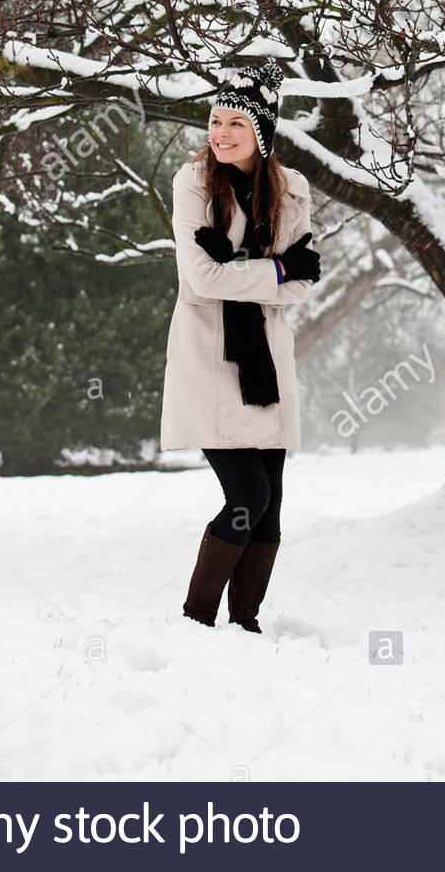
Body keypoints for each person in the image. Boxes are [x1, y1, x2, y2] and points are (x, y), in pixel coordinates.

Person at [159, 57, 321, 633]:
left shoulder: (292, 188)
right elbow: (202, 279)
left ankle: (245, 622)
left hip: (266, 367)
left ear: (262, 129)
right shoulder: (194, 182)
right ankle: (197, 620)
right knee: (246, 495)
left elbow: (304, 283)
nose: (220, 133)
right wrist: (273, 273)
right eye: (215, 120)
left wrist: (251, 270)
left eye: (234, 122)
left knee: (271, 505)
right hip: (209, 360)